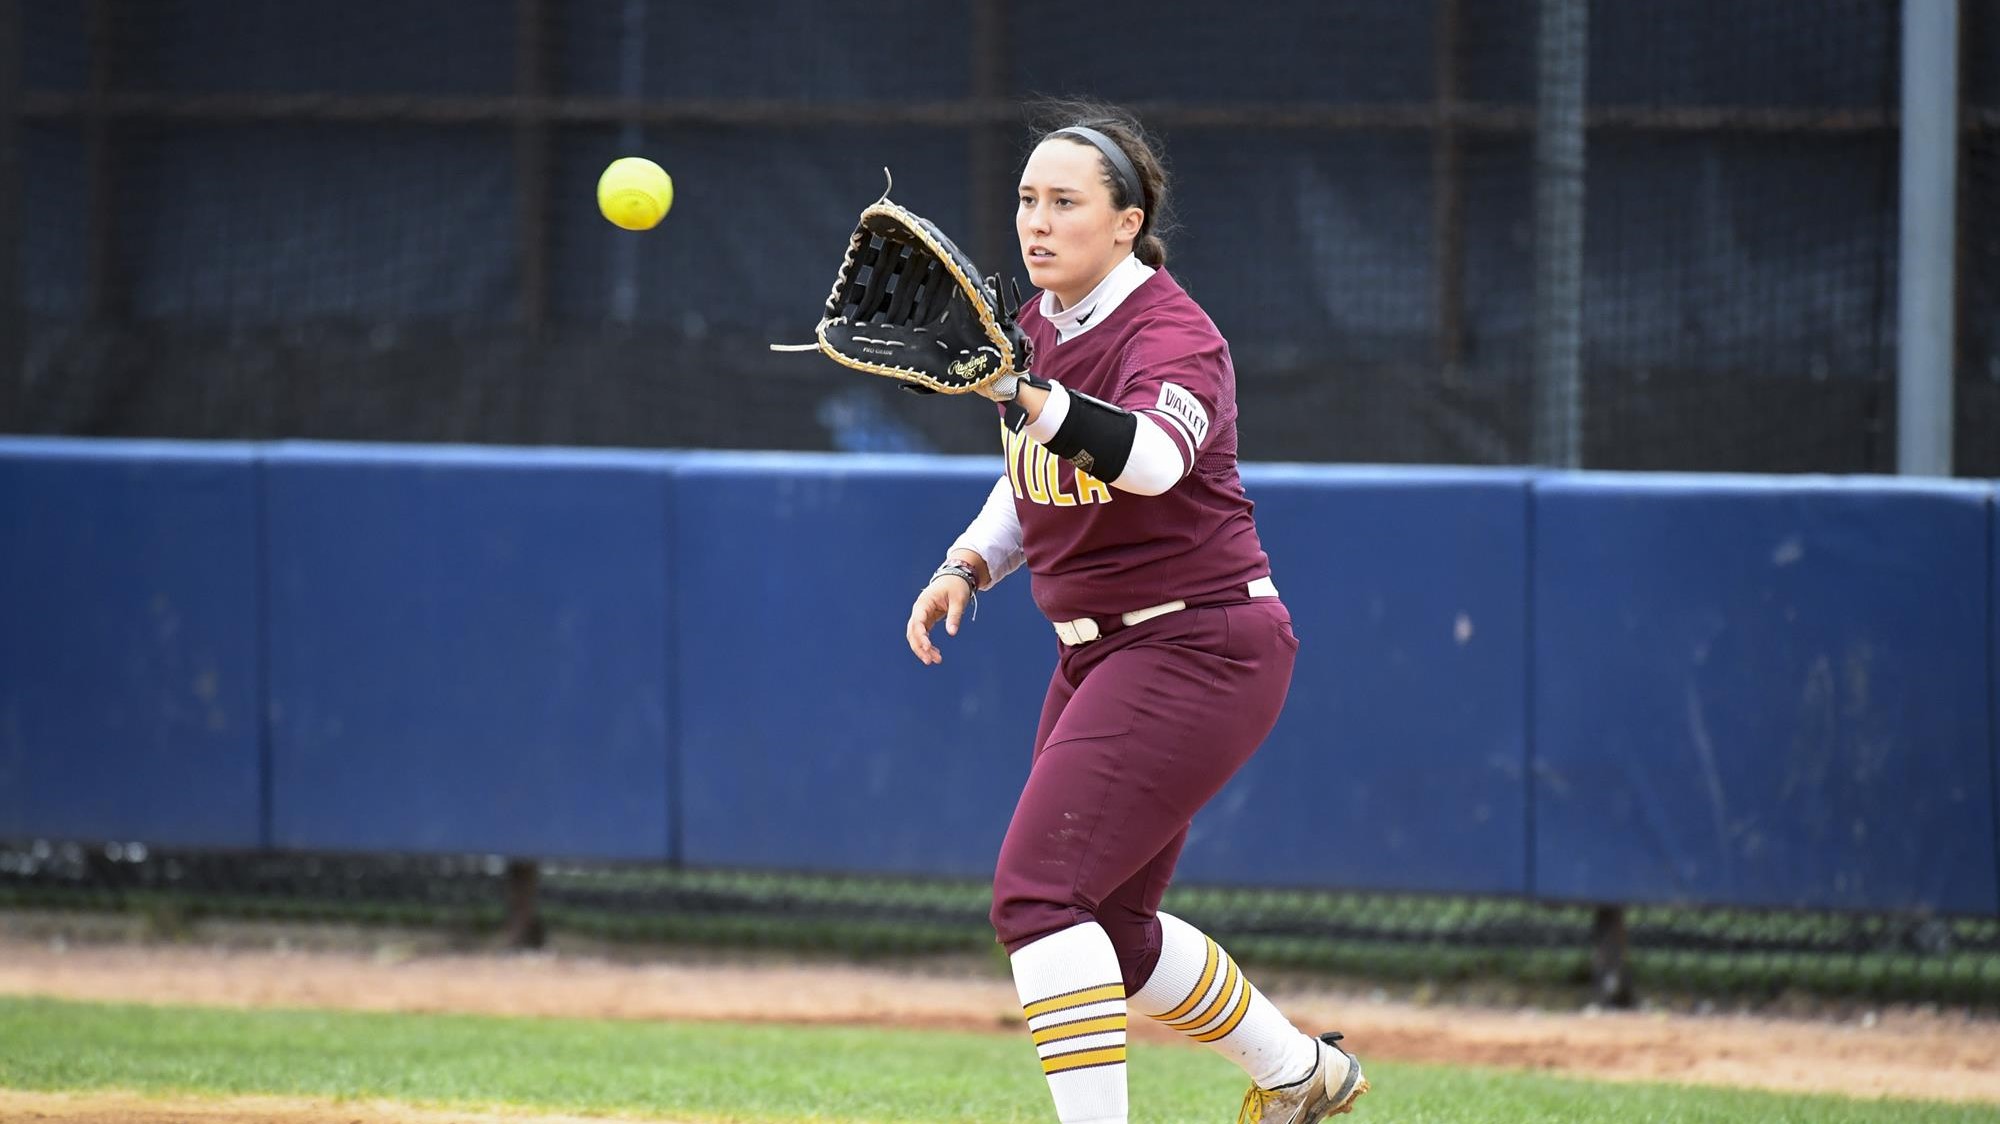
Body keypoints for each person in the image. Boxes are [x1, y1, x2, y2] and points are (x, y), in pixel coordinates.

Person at [903, 99, 1370, 1124]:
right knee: (1109, 928)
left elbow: (1153, 460)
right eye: (1026, 198)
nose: (1036, 221)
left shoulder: (1173, 333)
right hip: (1103, 653)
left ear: (1125, 221)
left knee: (1035, 898)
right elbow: (1030, 473)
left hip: (1200, 640)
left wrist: (1026, 393)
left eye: (1065, 201)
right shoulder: (1031, 327)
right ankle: (1302, 1074)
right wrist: (970, 561)